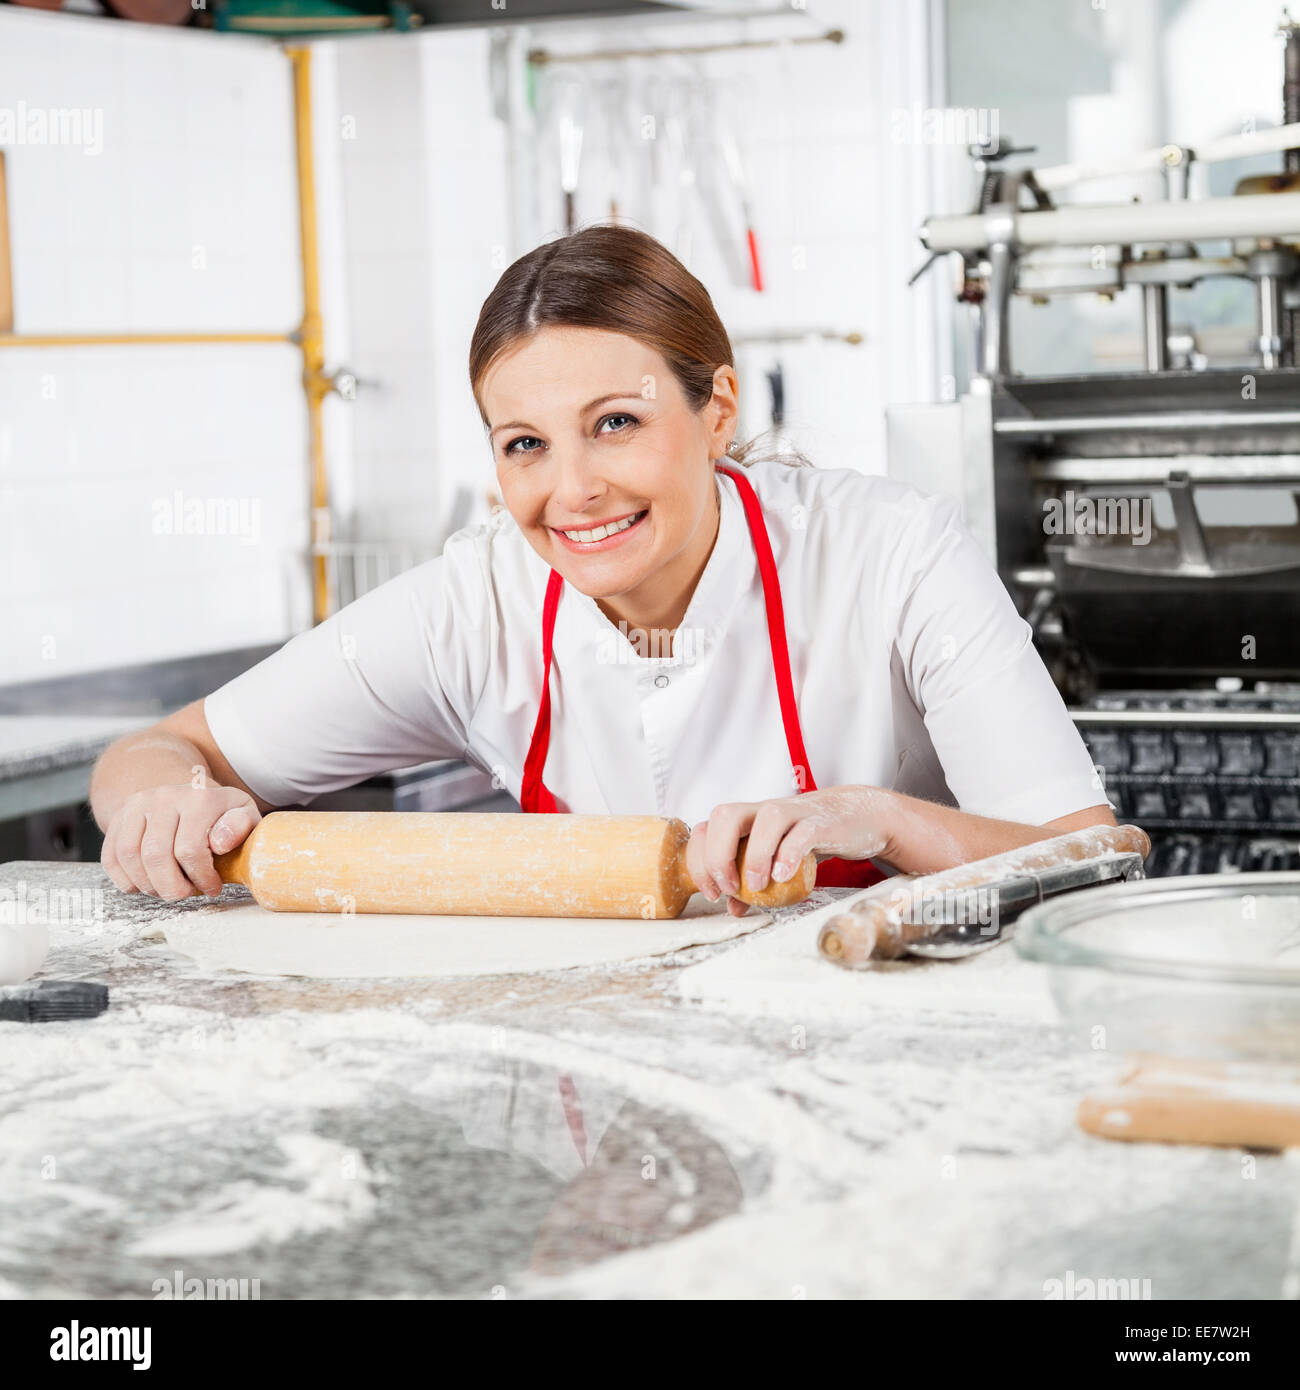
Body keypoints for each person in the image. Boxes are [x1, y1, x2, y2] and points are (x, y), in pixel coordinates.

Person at [90, 225, 1114, 917]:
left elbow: (1089, 861)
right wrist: (166, 799)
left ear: (717, 409)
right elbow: (158, 747)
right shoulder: (474, 604)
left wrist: (884, 820)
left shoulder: (889, 555)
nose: (572, 488)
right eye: (524, 443)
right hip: (610, 1092)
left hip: (883, 1073)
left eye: (615, 424)